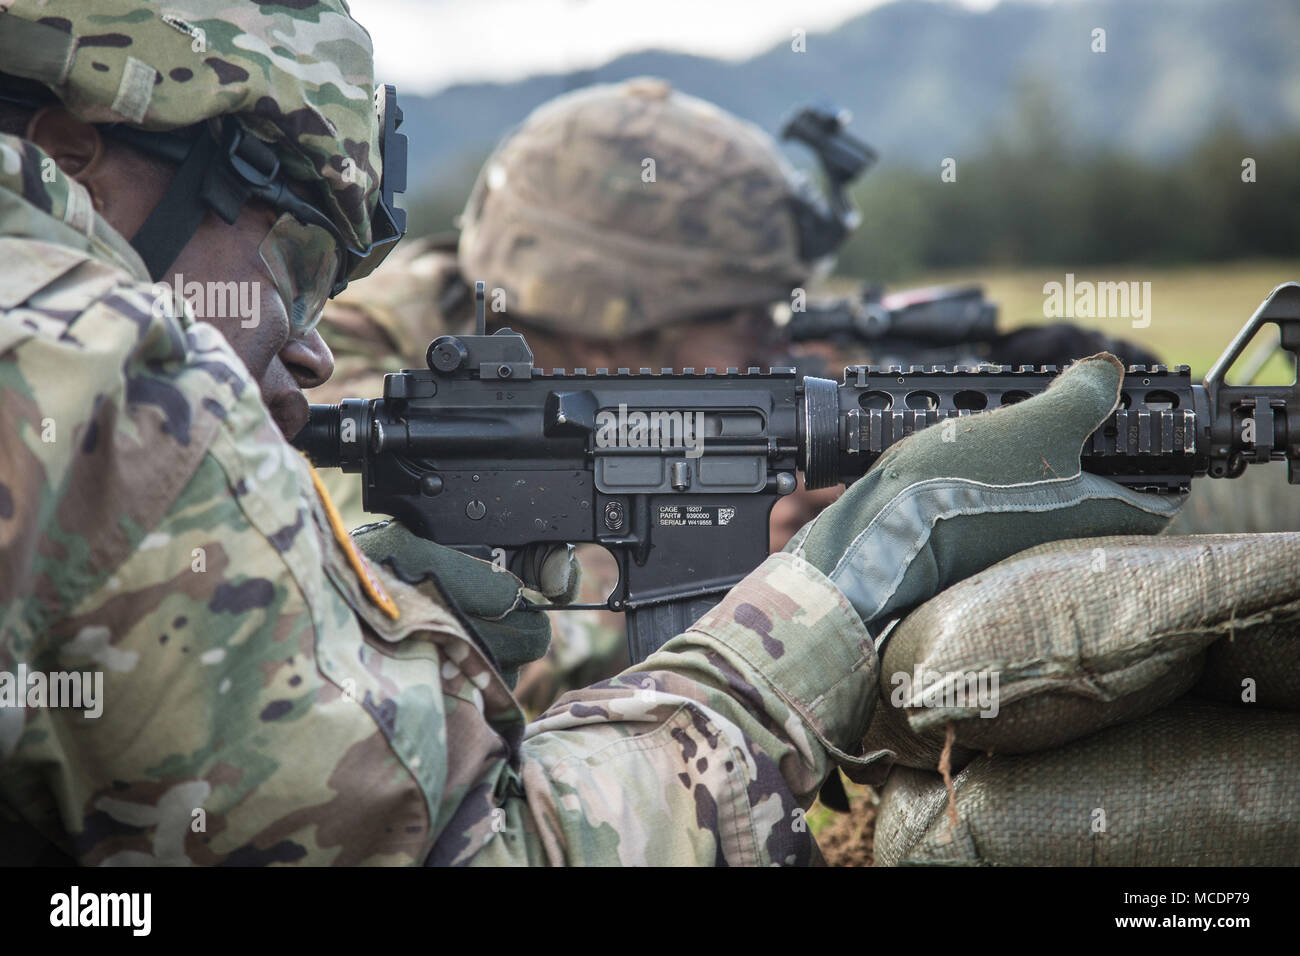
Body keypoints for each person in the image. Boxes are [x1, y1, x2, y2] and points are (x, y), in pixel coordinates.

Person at [0, 0, 1183, 866]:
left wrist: (375, 642)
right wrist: (829, 595)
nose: (308, 345)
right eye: (296, 249)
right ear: (75, 159)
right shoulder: (96, 361)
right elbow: (467, 852)